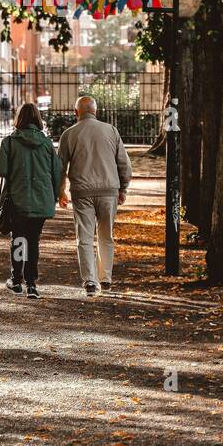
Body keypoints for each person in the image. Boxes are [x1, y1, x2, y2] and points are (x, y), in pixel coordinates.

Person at [57, 95, 132, 296]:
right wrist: (122, 189)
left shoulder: (69, 134)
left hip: (82, 192)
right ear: (96, 112)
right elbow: (124, 164)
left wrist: (60, 190)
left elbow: (60, 167)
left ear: (76, 113)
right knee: (106, 236)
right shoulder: (111, 131)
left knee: (85, 237)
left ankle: (90, 280)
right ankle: (105, 278)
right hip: (109, 191)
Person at [0, 102, 63, 300]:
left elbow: (0, 169)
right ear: (37, 119)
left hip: (17, 198)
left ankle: (16, 280)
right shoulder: (47, 143)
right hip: (41, 199)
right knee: (33, 241)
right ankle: (32, 284)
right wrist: (55, 196)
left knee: (18, 240)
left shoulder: (10, 142)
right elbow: (56, 173)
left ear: (19, 119)